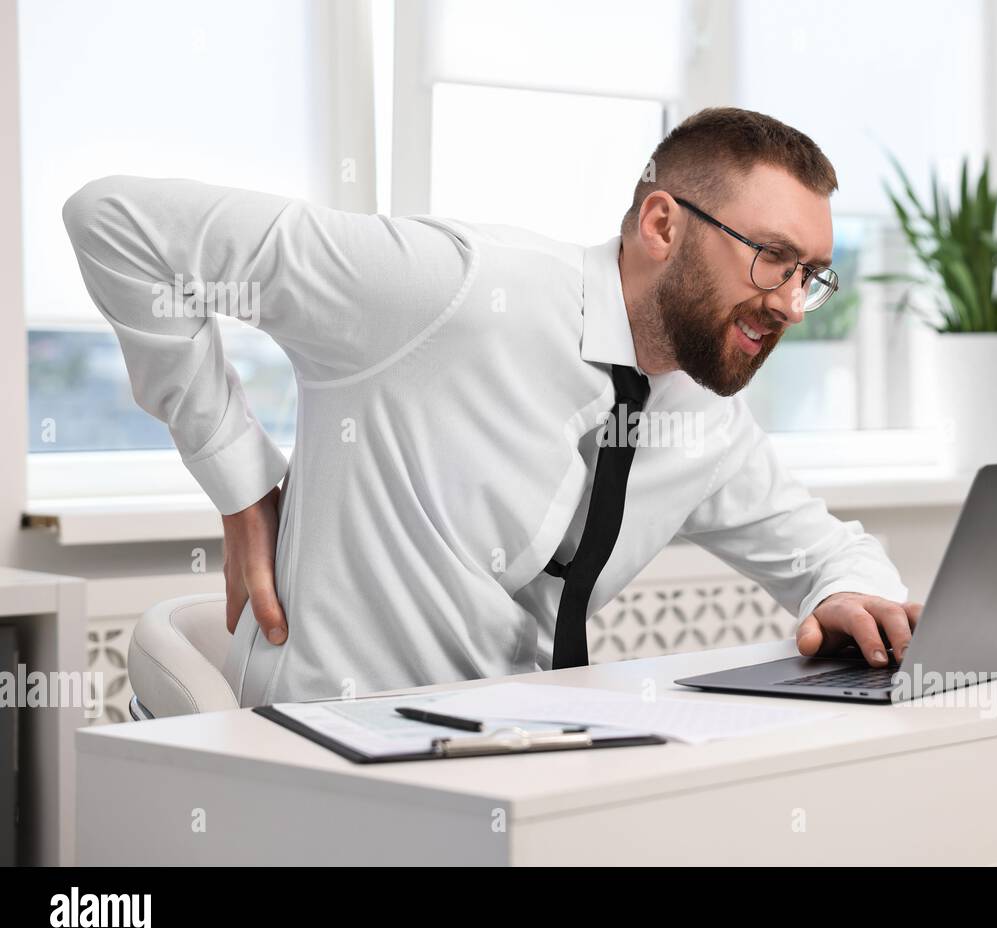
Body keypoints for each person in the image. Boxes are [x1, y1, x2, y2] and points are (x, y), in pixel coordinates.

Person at [62, 107, 922, 706]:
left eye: (811, 276)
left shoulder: (702, 418)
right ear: (663, 224)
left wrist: (854, 593)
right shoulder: (452, 290)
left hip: (519, 772)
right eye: (772, 259)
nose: (788, 303)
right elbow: (117, 224)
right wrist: (240, 480)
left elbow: (834, 554)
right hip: (324, 755)